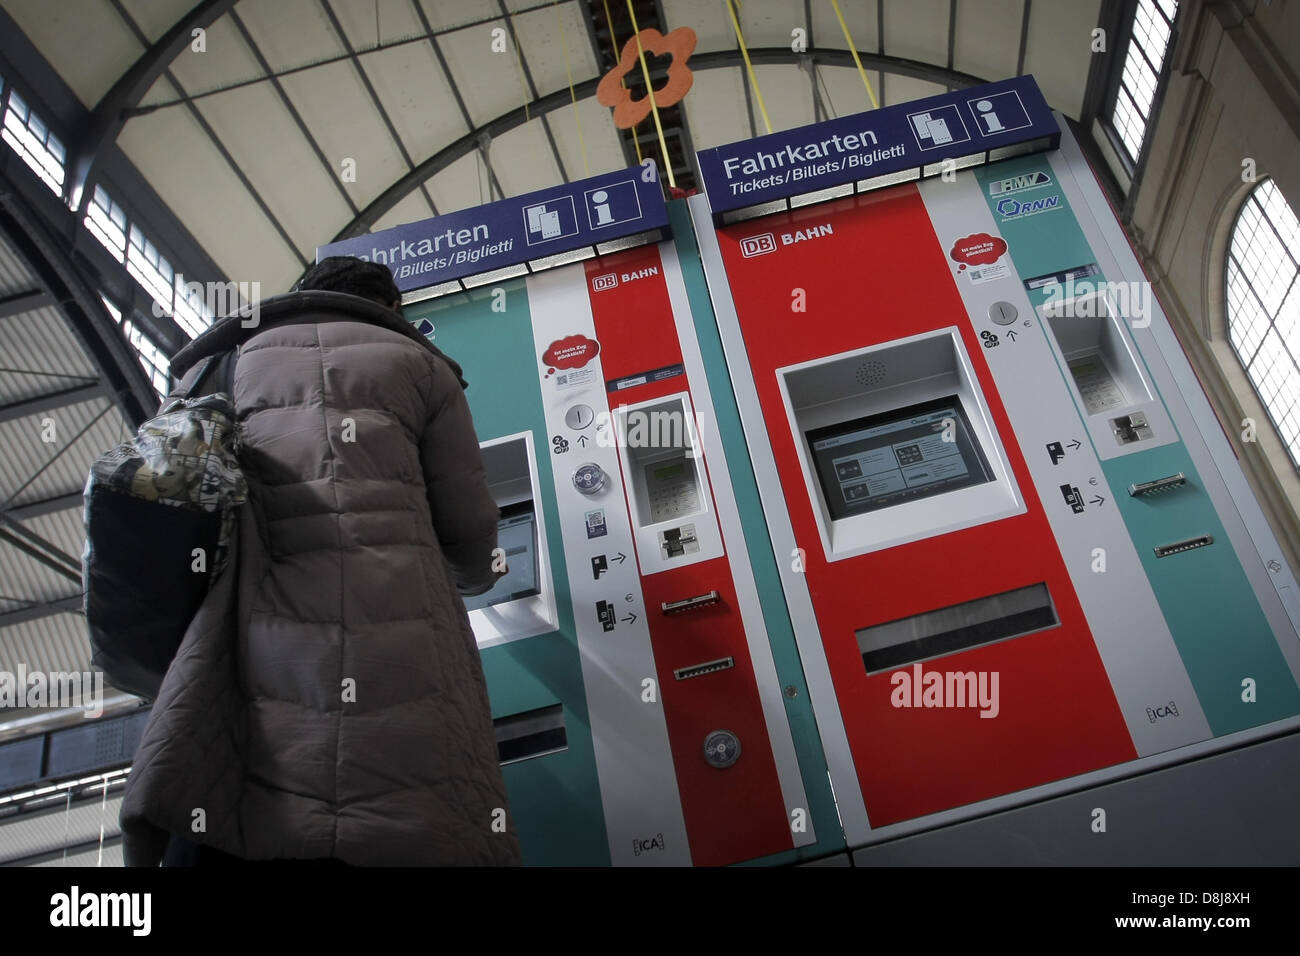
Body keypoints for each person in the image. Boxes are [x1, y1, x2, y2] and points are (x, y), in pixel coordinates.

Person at [120, 257, 522, 866]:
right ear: (390, 309)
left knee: (234, 808)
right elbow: (470, 531)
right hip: (404, 644)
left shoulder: (222, 366)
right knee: (409, 815)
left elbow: (161, 492)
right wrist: (477, 577)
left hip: (252, 642)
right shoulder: (421, 368)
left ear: (302, 295)